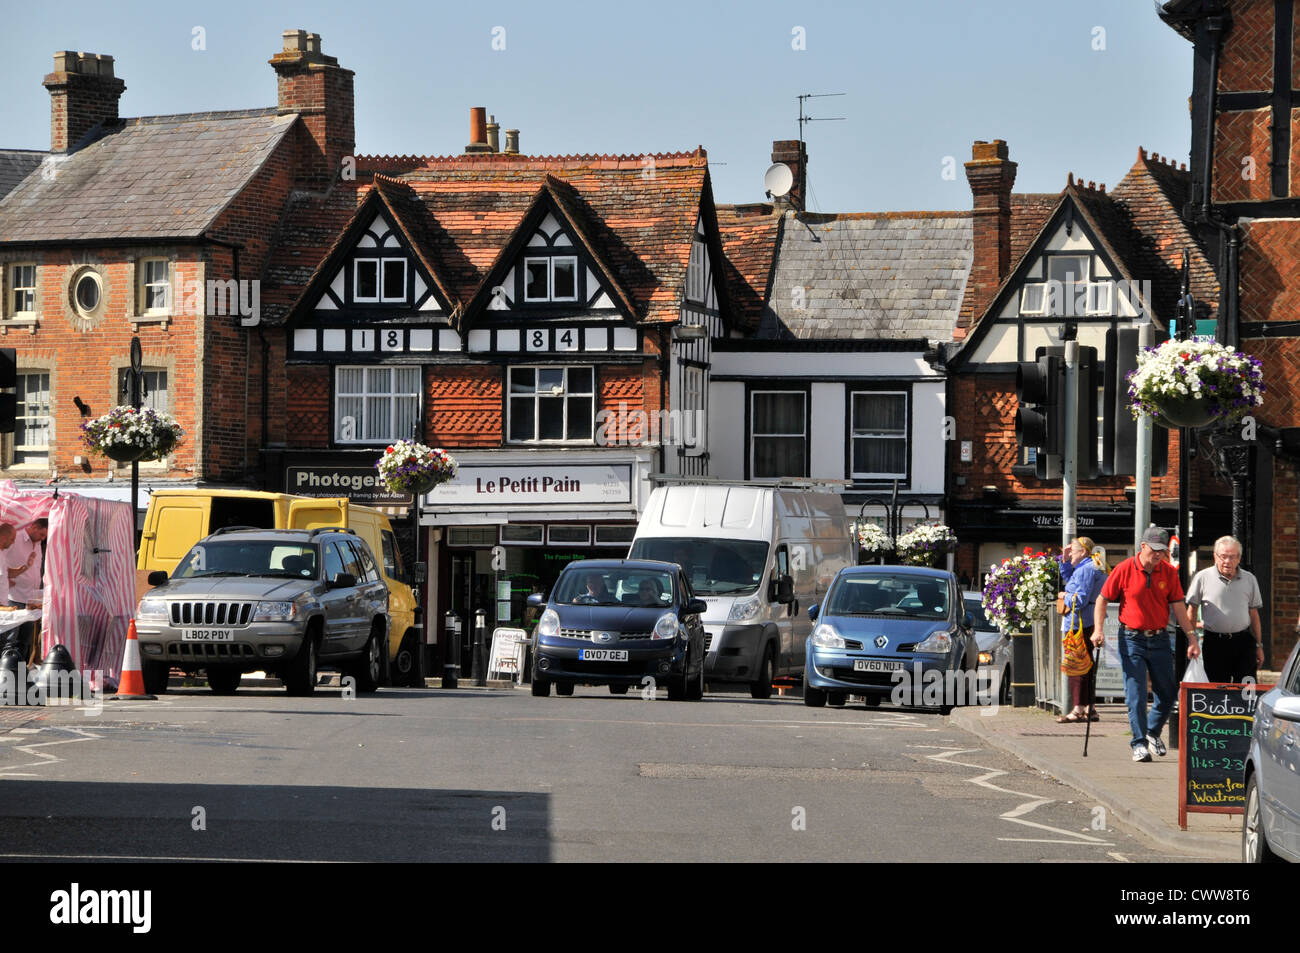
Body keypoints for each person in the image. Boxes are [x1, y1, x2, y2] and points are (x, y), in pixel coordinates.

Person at [1094, 527, 1199, 763]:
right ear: (1143, 547)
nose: (1159, 555)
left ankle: (1152, 732)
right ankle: (1138, 743)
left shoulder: (1169, 572)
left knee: (1168, 692)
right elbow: (1102, 599)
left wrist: (1192, 637)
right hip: (1131, 638)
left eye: (1162, 551)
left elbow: (1179, 607)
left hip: (1160, 638)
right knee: (1136, 693)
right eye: (1155, 550)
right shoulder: (1124, 569)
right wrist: (1098, 630)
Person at [1185, 535, 1263, 684]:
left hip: (1244, 642)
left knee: (1247, 690)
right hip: (1215, 643)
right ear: (1215, 556)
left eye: (1232, 557)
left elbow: (1254, 614)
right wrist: (1192, 640)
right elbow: (1192, 610)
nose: (1227, 561)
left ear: (1239, 558)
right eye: (1223, 556)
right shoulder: (1202, 577)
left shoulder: (1249, 579)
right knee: (1217, 691)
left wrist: (1259, 645)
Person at [1056, 537, 1108, 723]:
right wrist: (1064, 560)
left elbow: (1080, 599)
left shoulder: (1086, 569)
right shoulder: (1090, 566)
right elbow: (1070, 579)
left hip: (1080, 622)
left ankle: (1078, 708)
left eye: (1073, 552)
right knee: (1086, 665)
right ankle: (1089, 707)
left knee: (1076, 665)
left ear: (1083, 552)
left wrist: (1064, 596)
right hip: (1086, 620)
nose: (1070, 555)